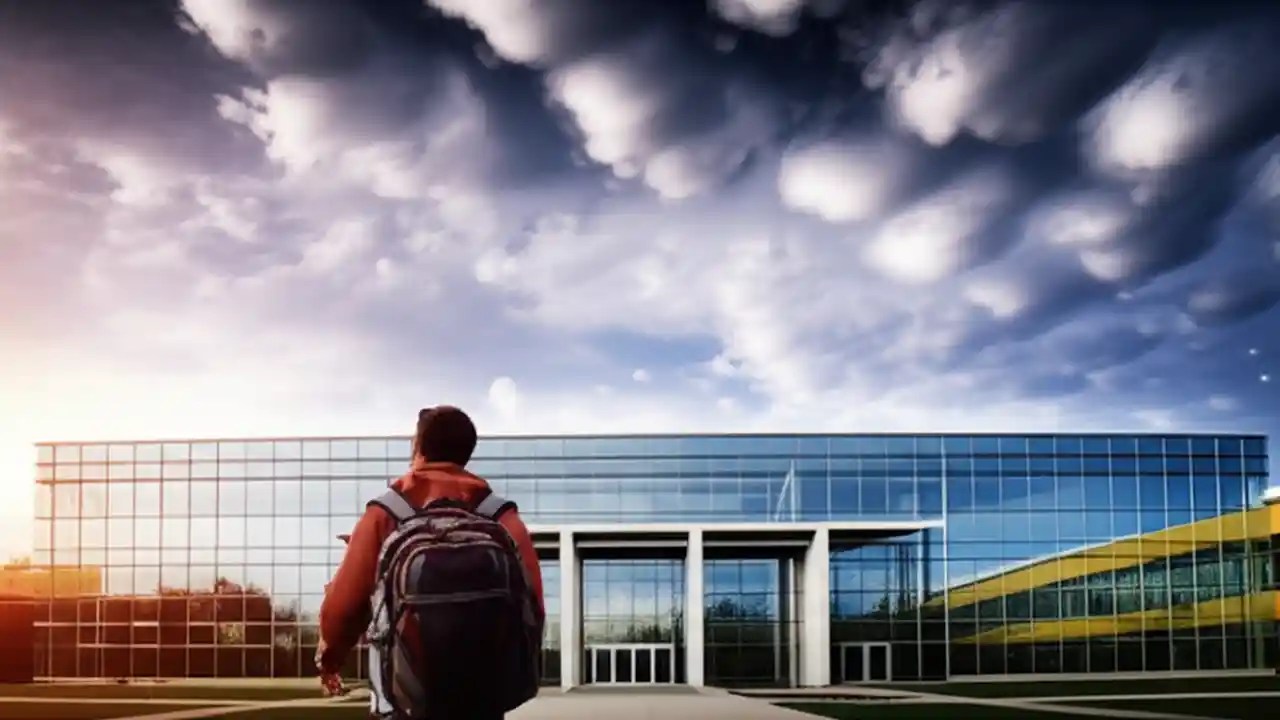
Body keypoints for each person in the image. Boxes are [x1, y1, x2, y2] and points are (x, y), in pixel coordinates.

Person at [317, 406, 545, 718]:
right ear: (466, 453)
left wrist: (329, 660)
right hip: (482, 703)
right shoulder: (501, 516)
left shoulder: (385, 513)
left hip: (404, 704)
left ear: (418, 447)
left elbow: (341, 613)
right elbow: (533, 608)